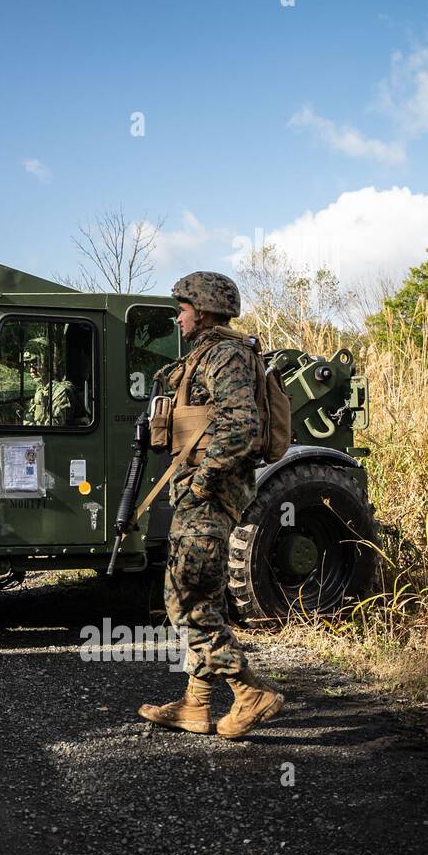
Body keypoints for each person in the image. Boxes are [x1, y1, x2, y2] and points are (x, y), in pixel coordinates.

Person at [137, 271, 285, 739]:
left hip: (209, 497)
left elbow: (240, 425)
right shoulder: (203, 356)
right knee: (205, 597)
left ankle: (250, 692)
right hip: (201, 493)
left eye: (182, 308)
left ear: (202, 310)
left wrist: (202, 483)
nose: (177, 316)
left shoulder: (226, 355)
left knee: (185, 602)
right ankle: (195, 706)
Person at [23, 342, 74, 426]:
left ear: (48, 364)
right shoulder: (41, 389)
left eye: (36, 364)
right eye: (29, 365)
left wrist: (30, 426)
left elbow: (56, 428)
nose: (31, 370)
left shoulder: (60, 392)